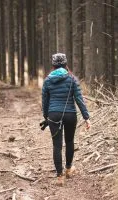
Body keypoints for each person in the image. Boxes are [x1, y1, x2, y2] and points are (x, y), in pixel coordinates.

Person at [41, 53, 91, 186]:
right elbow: (79, 99)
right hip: (70, 115)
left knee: (57, 145)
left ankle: (59, 176)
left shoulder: (47, 80)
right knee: (69, 141)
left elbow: (45, 102)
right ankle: (68, 169)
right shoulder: (72, 79)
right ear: (65, 64)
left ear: (53, 65)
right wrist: (86, 117)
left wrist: (46, 117)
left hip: (54, 115)